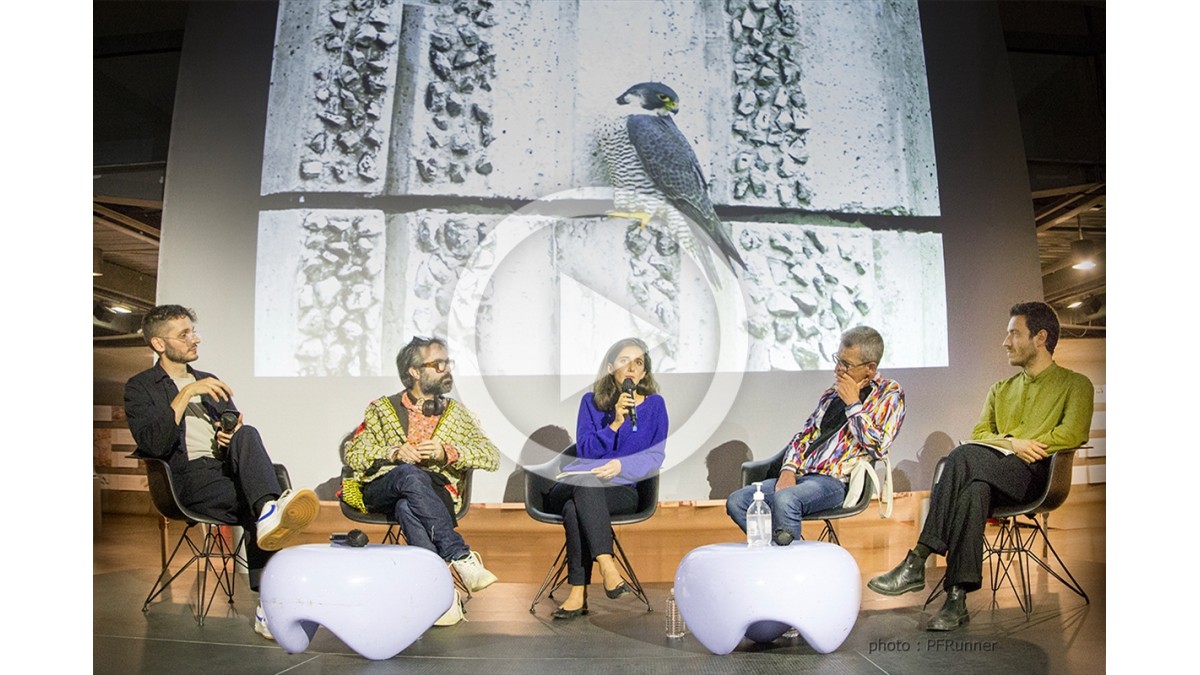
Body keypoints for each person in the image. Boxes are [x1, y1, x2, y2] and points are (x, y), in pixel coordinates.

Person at [867, 302, 1093, 631]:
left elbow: (1072, 433)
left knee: (960, 457)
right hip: (993, 474)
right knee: (974, 490)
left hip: (1036, 479)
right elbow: (980, 434)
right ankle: (956, 599)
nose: (1005, 342)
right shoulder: (1000, 389)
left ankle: (918, 559)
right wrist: (1013, 444)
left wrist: (1025, 446)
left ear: (1040, 338)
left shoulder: (1076, 384)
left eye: (1014, 334)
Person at [124, 305, 319, 640]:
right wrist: (186, 393)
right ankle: (269, 594)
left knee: (247, 434)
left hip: (222, 469)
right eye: (184, 334)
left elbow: (231, 428)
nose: (194, 339)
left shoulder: (209, 380)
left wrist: (227, 437)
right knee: (258, 506)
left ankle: (268, 511)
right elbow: (153, 444)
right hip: (186, 479)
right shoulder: (141, 387)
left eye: (193, 331)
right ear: (158, 343)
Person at [342, 336, 501, 623]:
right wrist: (393, 452)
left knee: (407, 506)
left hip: (433, 493)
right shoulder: (382, 409)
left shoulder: (457, 414)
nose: (446, 369)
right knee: (408, 473)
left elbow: (491, 456)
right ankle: (460, 555)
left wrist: (447, 452)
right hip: (385, 486)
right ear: (414, 371)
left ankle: (442, 594)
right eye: (438, 364)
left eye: (447, 363)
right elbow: (353, 452)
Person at [726, 325, 906, 545]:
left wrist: (853, 405)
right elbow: (805, 436)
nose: (838, 369)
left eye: (846, 364)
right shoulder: (832, 394)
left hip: (834, 482)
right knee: (738, 501)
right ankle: (777, 550)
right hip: (803, 475)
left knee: (786, 499)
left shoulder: (889, 394)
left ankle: (787, 557)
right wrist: (788, 470)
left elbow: (878, 446)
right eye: (837, 360)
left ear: (870, 368)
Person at [541, 338, 668, 620]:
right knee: (584, 487)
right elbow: (585, 451)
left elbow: (655, 456)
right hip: (575, 482)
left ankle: (578, 592)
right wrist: (615, 424)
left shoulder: (655, 406)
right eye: (624, 361)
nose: (631, 368)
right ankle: (608, 567)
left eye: (638, 363)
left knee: (575, 509)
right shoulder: (591, 403)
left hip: (620, 489)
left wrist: (621, 465)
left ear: (644, 373)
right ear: (611, 368)